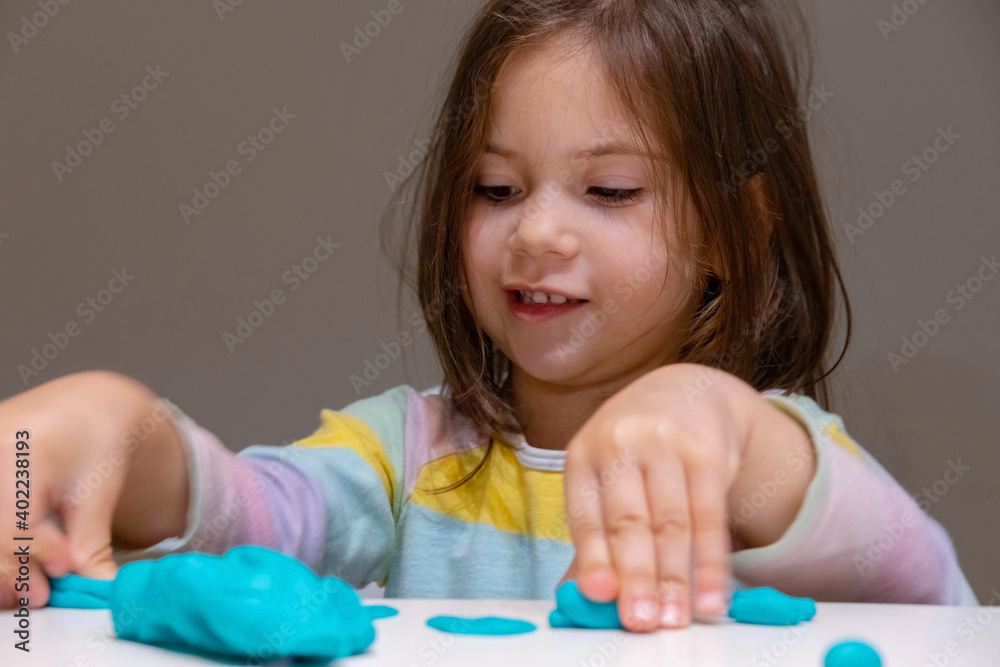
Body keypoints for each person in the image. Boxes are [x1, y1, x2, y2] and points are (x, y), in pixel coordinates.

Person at [0, 0, 977, 633]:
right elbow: (243, 517)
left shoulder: (763, 461)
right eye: (496, 188)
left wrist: (725, 427)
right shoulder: (403, 459)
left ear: (737, 228)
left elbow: (931, 596)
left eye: (609, 190)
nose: (534, 232)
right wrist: (117, 429)